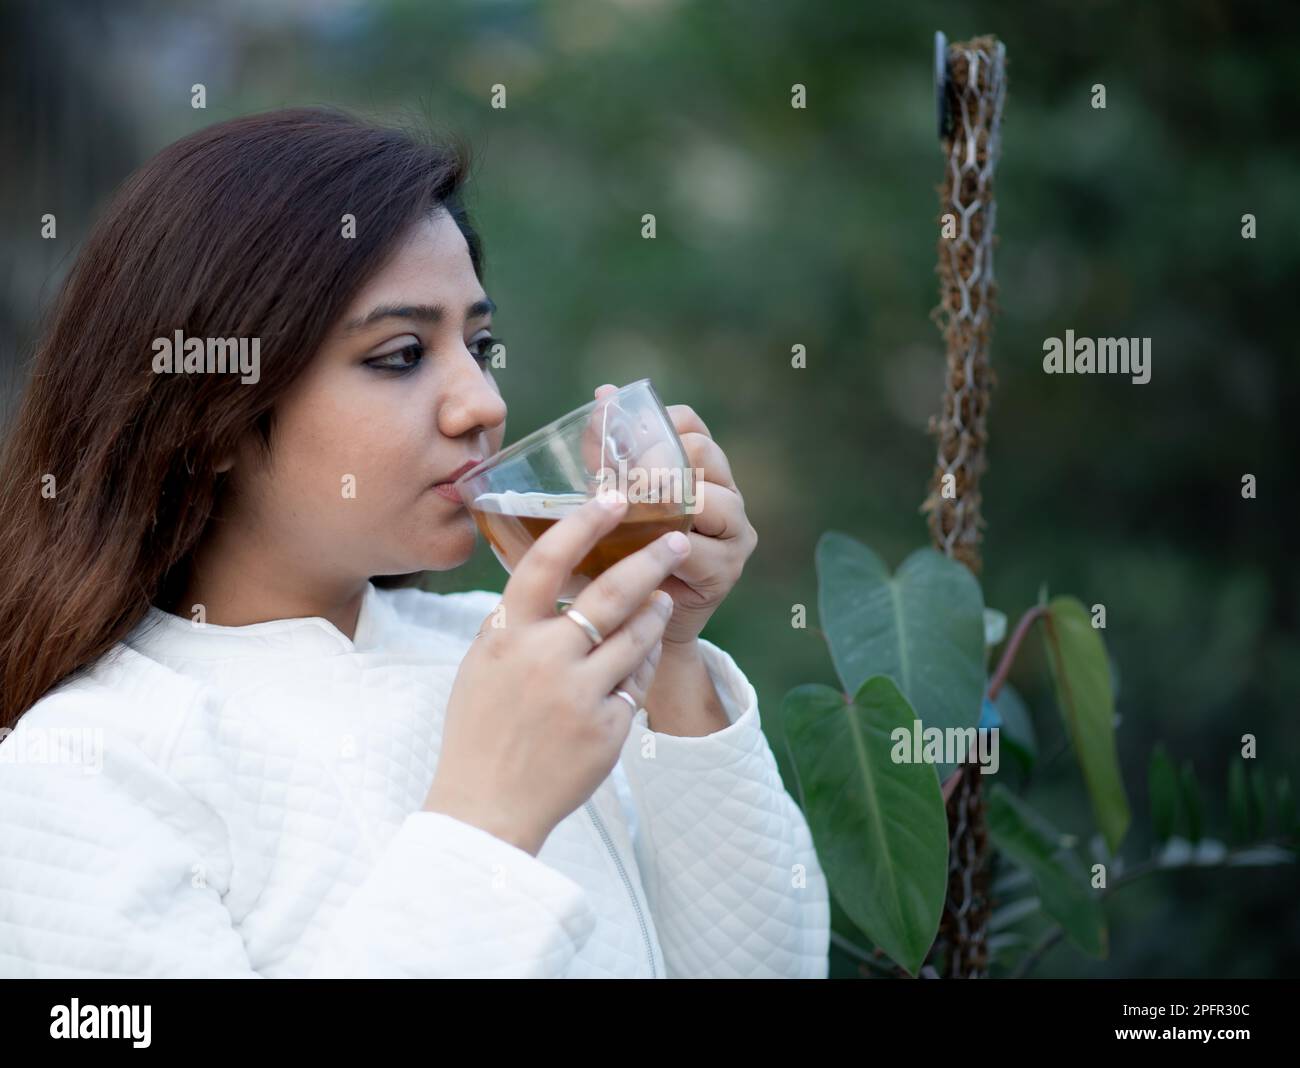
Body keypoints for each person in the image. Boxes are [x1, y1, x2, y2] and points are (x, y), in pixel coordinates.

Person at [0, 107, 830, 978]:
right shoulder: (82, 771)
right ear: (208, 419)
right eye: (400, 355)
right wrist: (487, 816)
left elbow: (768, 967)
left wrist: (668, 651)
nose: (482, 403)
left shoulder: (527, 648)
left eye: (480, 344)